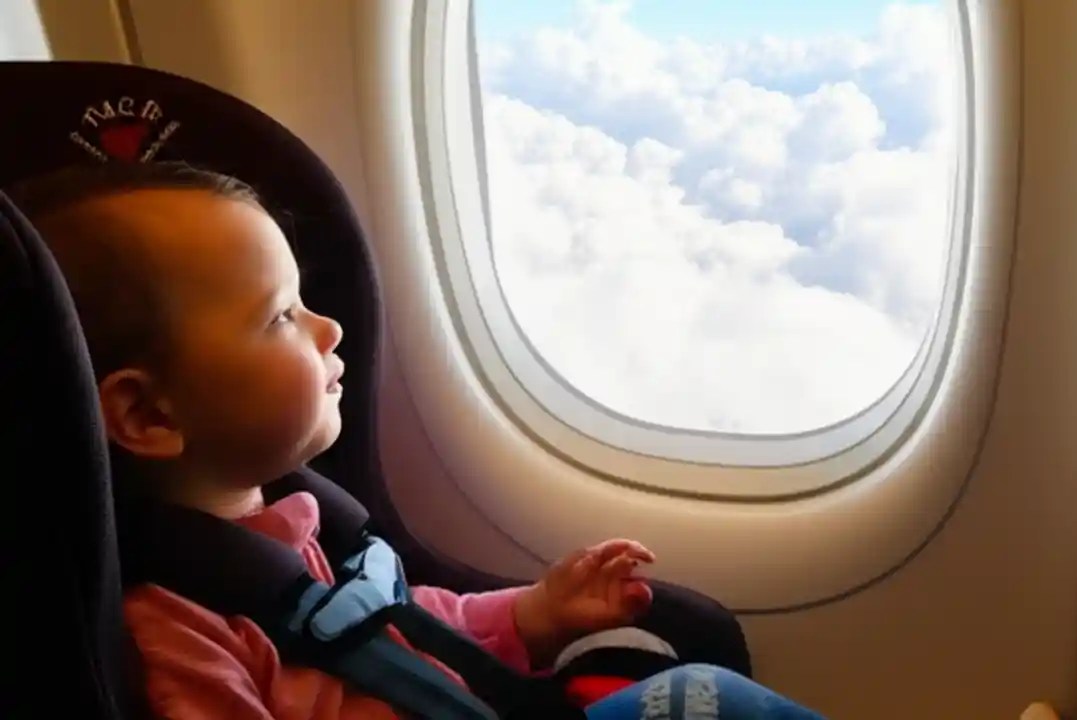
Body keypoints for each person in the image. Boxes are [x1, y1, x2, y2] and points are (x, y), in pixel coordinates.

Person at [9, 161, 825, 720]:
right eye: (281, 317)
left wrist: (534, 615)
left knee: (657, 653)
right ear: (149, 417)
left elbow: (393, 626)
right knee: (704, 698)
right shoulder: (176, 633)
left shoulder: (298, 525)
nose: (329, 329)